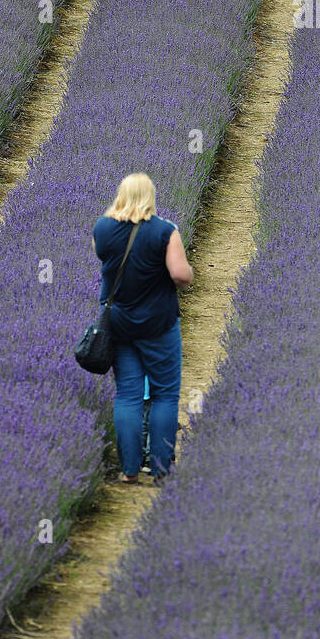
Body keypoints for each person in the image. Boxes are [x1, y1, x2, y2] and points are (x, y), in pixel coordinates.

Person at [92, 172, 193, 482]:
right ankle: (161, 469)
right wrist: (184, 270)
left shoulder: (104, 228)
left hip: (120, 324)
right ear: (150, 197)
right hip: (159, 325)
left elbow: (103, 256)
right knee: (164, 395)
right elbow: (180, 275)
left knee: (128, 396)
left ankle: (130, 470)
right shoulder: (165, 231)